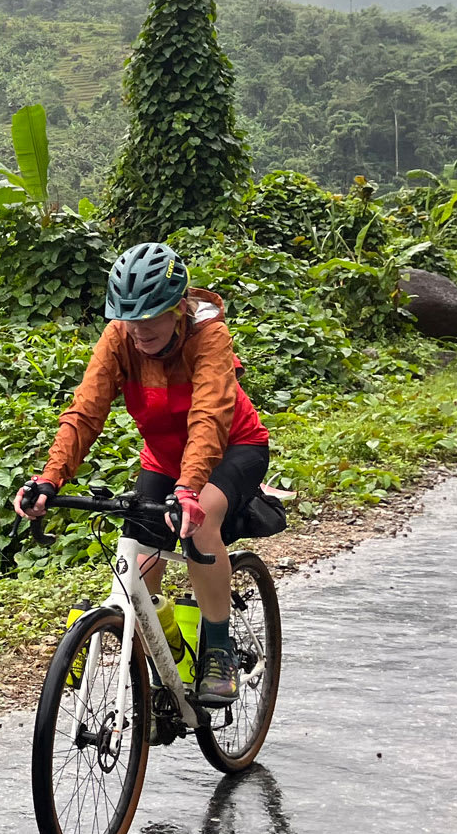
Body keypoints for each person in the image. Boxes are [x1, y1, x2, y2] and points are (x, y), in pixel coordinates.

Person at [17, 242, 271, 706]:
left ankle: (218, 648)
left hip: (234, 448)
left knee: (200, 523)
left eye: (150, 316)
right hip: (164, 459)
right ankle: (159, 666)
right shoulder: (120, 338)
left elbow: (210, 415)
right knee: (141, 565)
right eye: (127, 318)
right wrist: (50, 479)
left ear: (178, 308)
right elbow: (85, 412)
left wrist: (190, 488)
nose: (137, 330)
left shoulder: (208, 336)